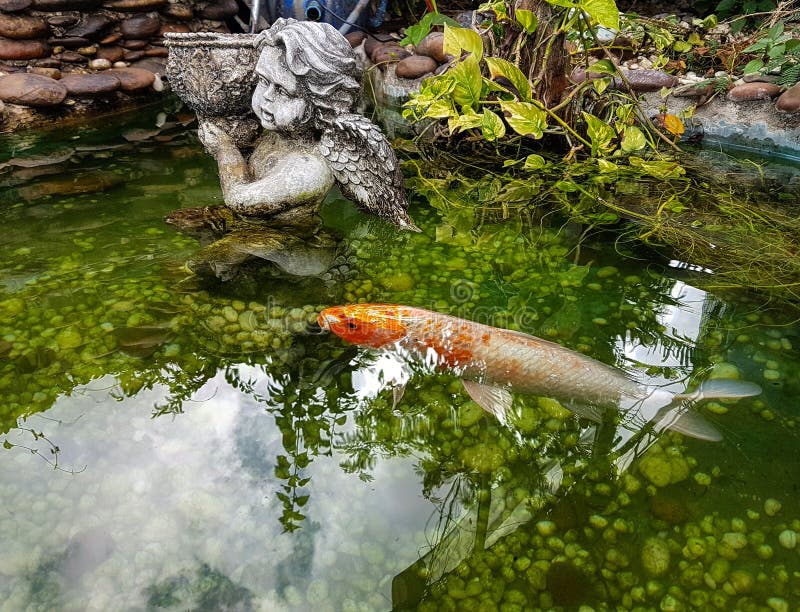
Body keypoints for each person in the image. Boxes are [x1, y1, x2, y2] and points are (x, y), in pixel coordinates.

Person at [197, 18, 418, 230]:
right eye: (263, 81)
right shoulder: (276, 134)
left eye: (283, 91)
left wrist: (225, 150)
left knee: (206, 264)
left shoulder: (308, 168)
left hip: (294, 244)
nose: (266, 97)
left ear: (321, 101)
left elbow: (241, 201)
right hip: (262, 232)